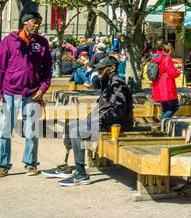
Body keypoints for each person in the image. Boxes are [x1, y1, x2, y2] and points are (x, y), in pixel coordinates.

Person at [57, 52, 134, 187]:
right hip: (107, 122)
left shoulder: (117, 84)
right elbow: (104, 107)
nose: (98, 72)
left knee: (77, 131)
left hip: (117, 126)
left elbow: (118, 111)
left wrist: (97, 120)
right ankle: (66, 166)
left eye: (101, 69)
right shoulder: (109, 82)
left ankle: (81, 174)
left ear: (111, 68)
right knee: (71, 126)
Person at [0, 10, 54, 177]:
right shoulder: (9, 41)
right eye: (34, 22)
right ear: (25, 22)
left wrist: (42, 89)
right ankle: (2, 165)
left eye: (39, 23)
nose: (37, 26)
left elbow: (48, 69)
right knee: (4, 131)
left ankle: (30, 164)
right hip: (9, 92)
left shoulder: (42, 43)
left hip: (32, 93)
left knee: (31, 130)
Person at [151, 41, 180, 121]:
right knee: (174, 106)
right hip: (167, 85)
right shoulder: (167, 58)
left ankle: (163, 125)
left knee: (165, 107)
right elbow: (172, 73)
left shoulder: (155, 58)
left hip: (157, 84)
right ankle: (163, 121)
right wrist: (178, 71)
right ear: (168, 49)